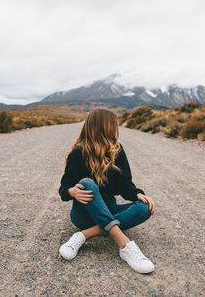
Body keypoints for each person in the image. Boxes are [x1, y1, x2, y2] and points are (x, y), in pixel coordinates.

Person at [58, 108, 155, 274]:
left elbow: (125, 185)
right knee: (87, 183)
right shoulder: (78, 153)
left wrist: (138, 194)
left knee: (145, 207)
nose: (116, 127)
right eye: (113, 124)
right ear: (104, 126)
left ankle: (83, 236)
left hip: (108, 211)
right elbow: (63, 189)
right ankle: (125, 245)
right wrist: (72, 192)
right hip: (83, 214)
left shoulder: (117, 150)